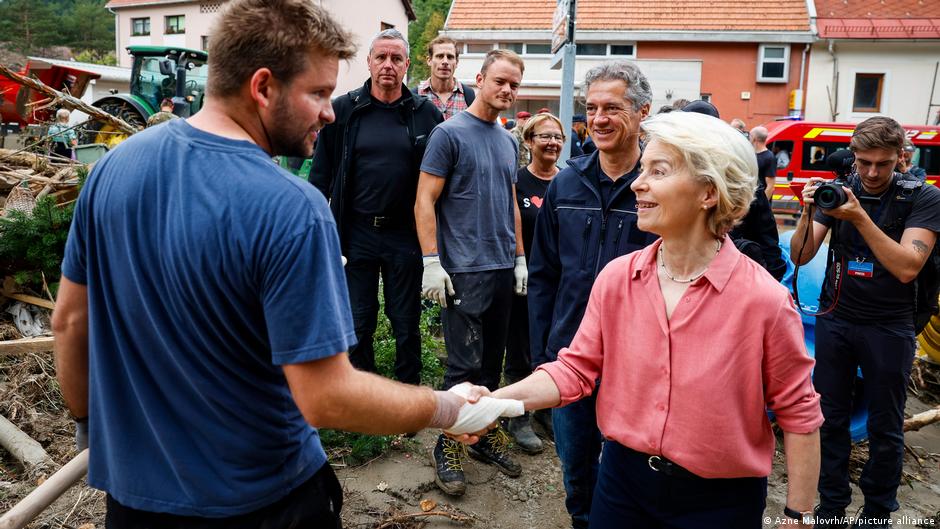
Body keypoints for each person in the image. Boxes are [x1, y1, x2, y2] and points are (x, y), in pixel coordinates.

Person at [51, 2, 484, 526]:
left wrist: (86, 423)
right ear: (263, 87)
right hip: (261, 500)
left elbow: (71, 321)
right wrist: (443, 407)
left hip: (133, 499)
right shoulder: (291, 208)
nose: (329, 112)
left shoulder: (112, 170)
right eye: (318, 94)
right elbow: (326, 396)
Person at [491, 110, 823, 529]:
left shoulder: (765, 302)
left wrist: (799, 515)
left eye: (658, 171)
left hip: (722, 502)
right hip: (621, 486)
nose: (637, 184)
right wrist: (495, 402)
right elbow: (575, 369)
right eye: (643, 169)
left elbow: (798, 414)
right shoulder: (617, 279)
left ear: (708, 192)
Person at [791, 116, 940, 529]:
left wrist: (858, 218)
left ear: (901, 158)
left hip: (890, 325)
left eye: (883, 164)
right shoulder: (842, 191)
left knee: (885, 424)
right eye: (863, 163)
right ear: (853, 157)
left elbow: (908, 267)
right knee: (830, 418)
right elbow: (802, 255)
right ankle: (832, 506)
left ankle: (877, 512)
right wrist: (809, 210)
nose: (872, 173)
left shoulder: (923, 198)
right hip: (836, 318)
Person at [527, 60, 658, 529]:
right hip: (571, 353)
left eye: (613, 108)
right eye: (592, 107)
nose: (598, 118)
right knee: (576, 466)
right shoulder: (566, 183)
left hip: (641, 362)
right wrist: (543, 349)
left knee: (634, 468)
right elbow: (543, 275)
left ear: (643, 111)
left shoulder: (660, 186)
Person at [416, 48, 528, 497]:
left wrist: (520, 257)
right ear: (478, 79)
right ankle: (448, 445)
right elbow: (424, 199)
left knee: (490, 366)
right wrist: (430, 261)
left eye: (514, 85)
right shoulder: (448, 134)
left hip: (502, 266)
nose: (506, 90)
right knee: (461, 368)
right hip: (463, 269)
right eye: (499, 81)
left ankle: (480, 437)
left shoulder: (507, 140)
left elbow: (511, 204)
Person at [309, 29, 443, 387]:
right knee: (358, 320)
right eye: (381, 57)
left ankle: (407, 394)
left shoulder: (425, 114)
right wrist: (318, 232)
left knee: (406, 321)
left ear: (407, 65)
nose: (388, 65)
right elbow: (320, 175)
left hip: (405, 234)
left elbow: (441, 181)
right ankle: (363, 394)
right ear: (368, 62)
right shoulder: (345, 110)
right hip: (356, 233)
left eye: (396, 59)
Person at [504, 112, 566, 455]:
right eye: (544, 136)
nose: (552, 143)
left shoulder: (567, 181)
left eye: (557, 137)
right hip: (524, 278)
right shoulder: (518, 181)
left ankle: (545, 409)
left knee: (552, 346)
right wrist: (519, 262)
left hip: (558, 281)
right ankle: (519, 415)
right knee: (520, 346)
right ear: (528, 142)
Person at [414, 35, 475, 120]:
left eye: (450, 57)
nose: (445, 61)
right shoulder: (415, 96)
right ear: (429, 60)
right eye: (440, 56)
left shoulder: (468, 96)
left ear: (456, 62)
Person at [751, 125, 776, 201]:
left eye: (750, 136)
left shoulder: (769, 157)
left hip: (759, 203)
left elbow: (770, 187)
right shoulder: (751, 154)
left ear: (754, 138)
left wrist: (763, 205)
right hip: (750, 200)